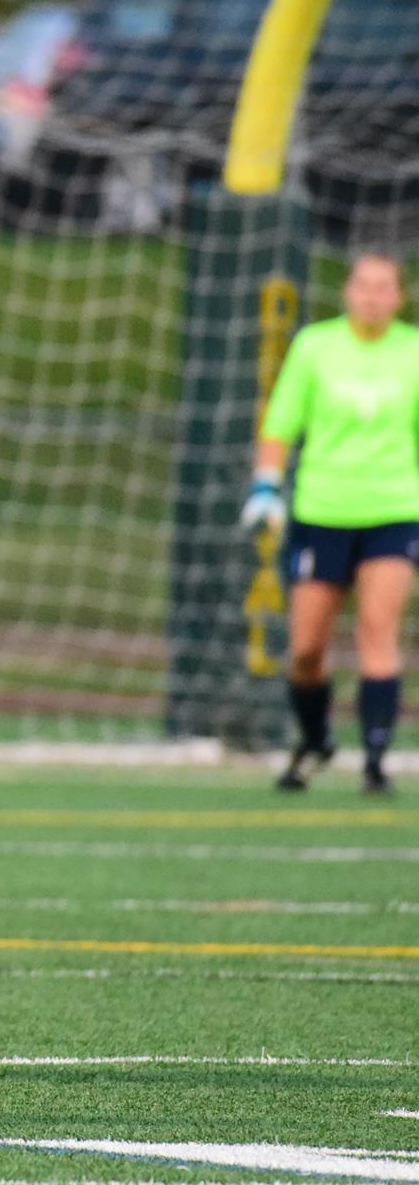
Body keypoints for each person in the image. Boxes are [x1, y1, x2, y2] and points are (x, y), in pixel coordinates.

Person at [240, 252, 419, 795]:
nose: (372, 296)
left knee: (378, 632)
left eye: (383, 287)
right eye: (363, 285)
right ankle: (316, 740)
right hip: (322, 511)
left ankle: (376, 760)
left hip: (393, 510)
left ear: (399, 297)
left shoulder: (412, 350)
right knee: (307, 649)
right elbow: (281, 422)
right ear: (347, 291)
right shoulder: (316, 346)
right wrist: (267, 486)